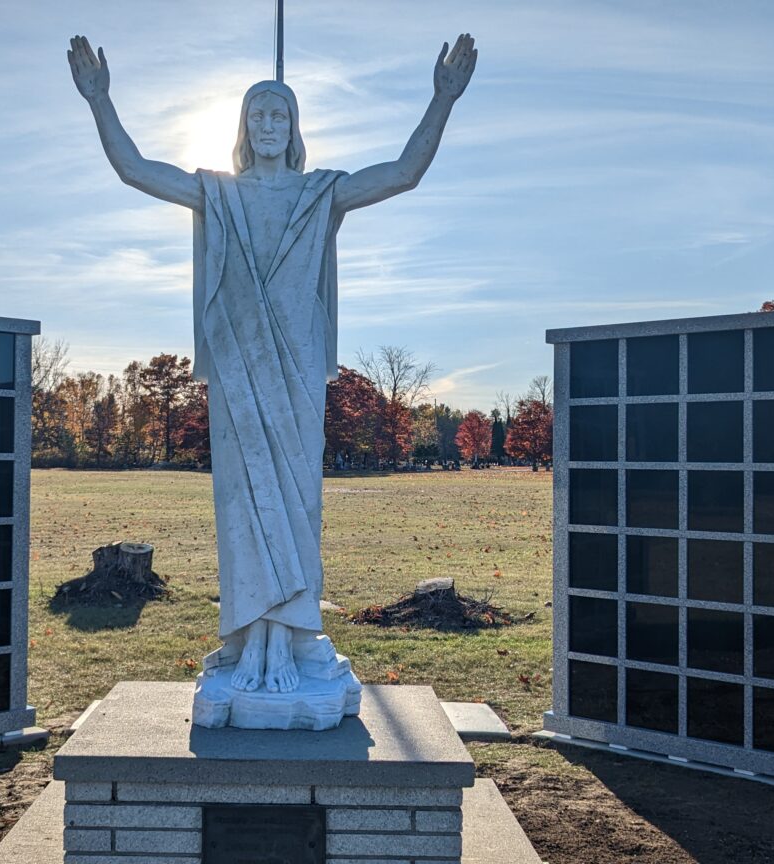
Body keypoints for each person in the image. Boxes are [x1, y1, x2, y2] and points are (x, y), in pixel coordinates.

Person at [67, 34, 476, 696]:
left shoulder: (320, 194)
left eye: (278, 114)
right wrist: (100, 101)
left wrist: (442, 99)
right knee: (242, 503)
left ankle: (291, 637)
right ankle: (251, 638)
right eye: (257, 114)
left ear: (294, 128)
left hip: (295, 372)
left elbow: (402, 172)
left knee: (296, 500)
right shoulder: (219, 195)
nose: (267, 125)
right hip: (237, 374)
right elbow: (136, 170)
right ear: (242, 127)